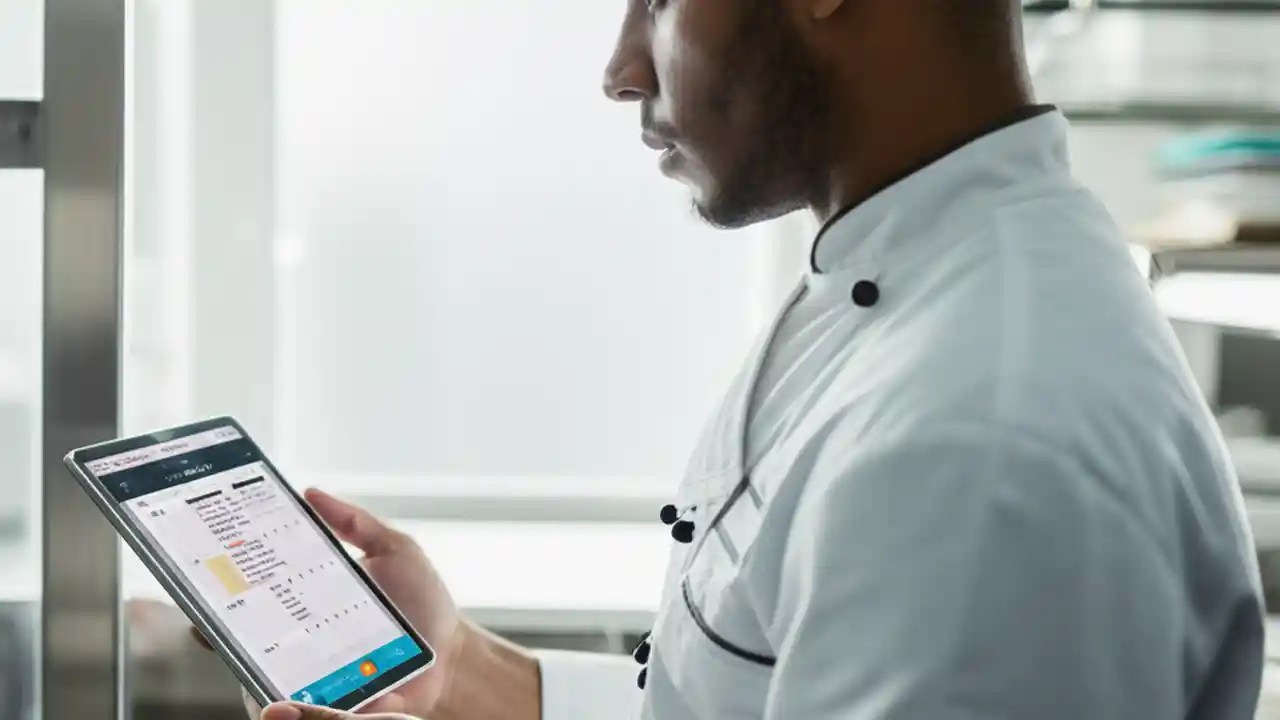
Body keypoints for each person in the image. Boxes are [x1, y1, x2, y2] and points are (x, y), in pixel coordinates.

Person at [204, 0, 1266, 717]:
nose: (620, 72)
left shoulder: (976, 439)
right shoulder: (900, 275)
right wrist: (469, 673)